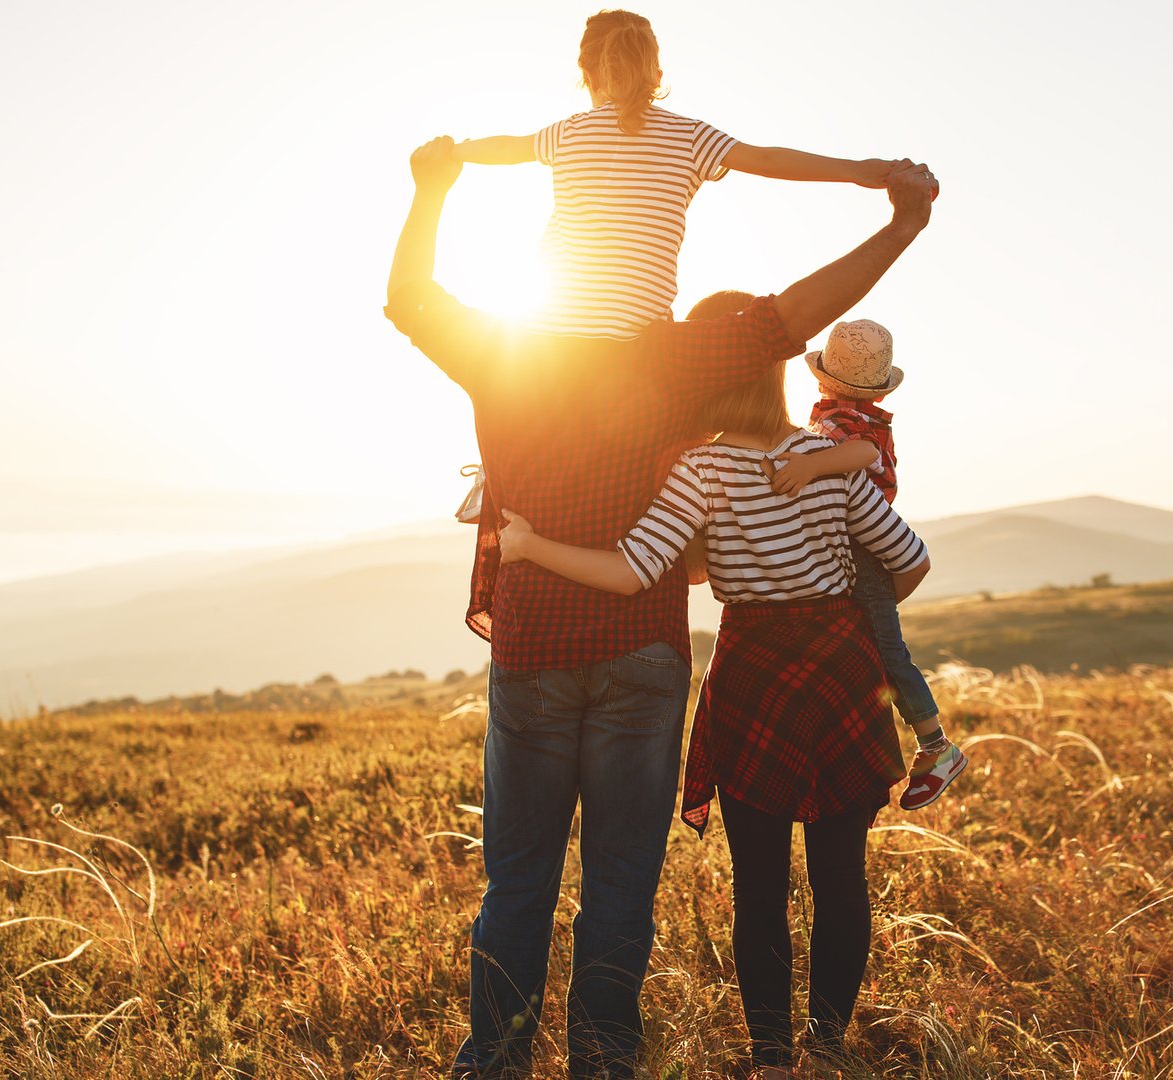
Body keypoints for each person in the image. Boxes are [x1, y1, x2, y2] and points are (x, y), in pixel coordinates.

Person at [384, 134, 938, 1078]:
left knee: (518, 880)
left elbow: (409, 299)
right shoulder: (680, 359)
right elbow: (801, 312)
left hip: (534, 651)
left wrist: (433, 191)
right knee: (621, 885)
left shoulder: (503, 350)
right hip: (644, 657)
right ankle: (606, 1061)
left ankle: (497, 1061)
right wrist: (902, 221)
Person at [494, 337, 932, 1076]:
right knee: (840, 874)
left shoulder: (701, 467)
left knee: (760, 884)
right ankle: (824, 1049)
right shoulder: (830, 453)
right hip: (840, 673)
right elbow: (910, 560)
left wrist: (532, 547)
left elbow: (634, 572)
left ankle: (771, 1058)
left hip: (754, 674)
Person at [454, 9, 897, 339]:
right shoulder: (689, 136)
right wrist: (856, 170)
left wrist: (453, 151)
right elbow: (765, 160)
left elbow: (506, 147)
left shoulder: (568, 133)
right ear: (657, 74)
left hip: (548, 328)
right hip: (637, 335)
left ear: (586, 75)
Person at [767, 319, 968, 809]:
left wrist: (810, 466)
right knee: (866, 647)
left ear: (822, 377)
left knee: (885, 650)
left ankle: (936, 746)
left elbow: (861, 454)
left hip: (863, 546)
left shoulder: (849, 424)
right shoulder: (847, 414)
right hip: (855, 545)